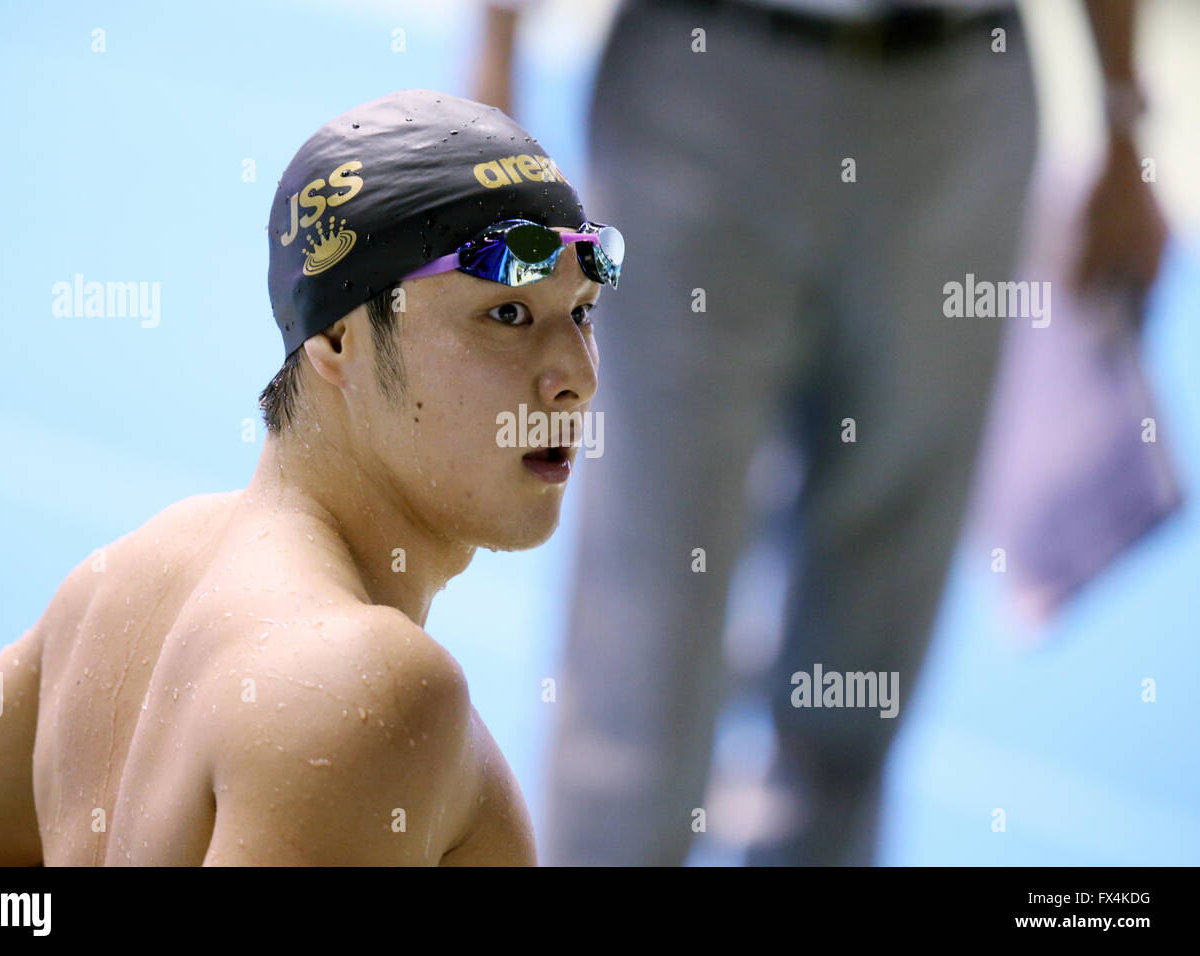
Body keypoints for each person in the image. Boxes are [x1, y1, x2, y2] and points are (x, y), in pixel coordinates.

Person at [476, 0, 1164, 865]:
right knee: (651, 619)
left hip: (959, 96)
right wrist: (494, 80)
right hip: (705, 83)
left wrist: (1123, 118)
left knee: (877, 612)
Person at [0, 88, 624, 866]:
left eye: (580, 312)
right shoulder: (370, 689)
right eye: (508, 314)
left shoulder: (123, 581)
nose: (576, 377)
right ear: (337, 339)